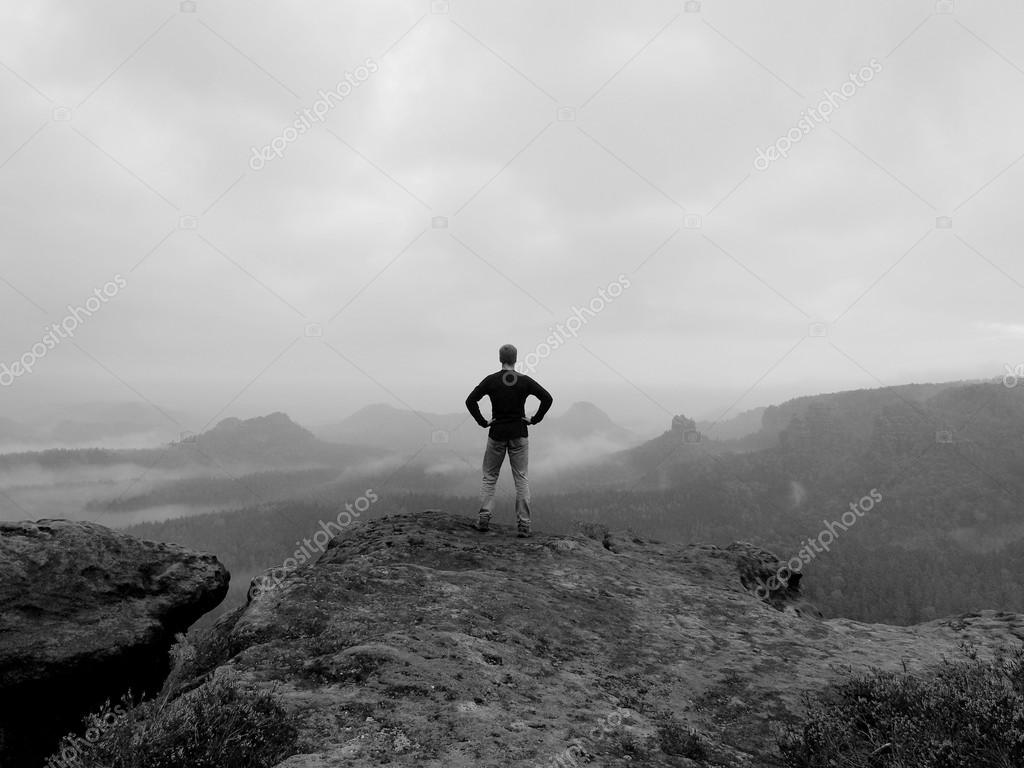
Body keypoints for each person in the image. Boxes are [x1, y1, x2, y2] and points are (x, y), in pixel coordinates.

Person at [465, 343, 553, 537]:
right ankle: (524, 525)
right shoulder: (524, 381)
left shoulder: (491, 381)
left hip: (496, 433)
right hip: (519, 433)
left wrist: (483, 422)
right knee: (521, 478)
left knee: (489, 477)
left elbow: (470, 401)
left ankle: (483, 520)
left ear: (500, 358)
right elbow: (547, 398)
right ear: (516, 359)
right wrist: (534, 419)